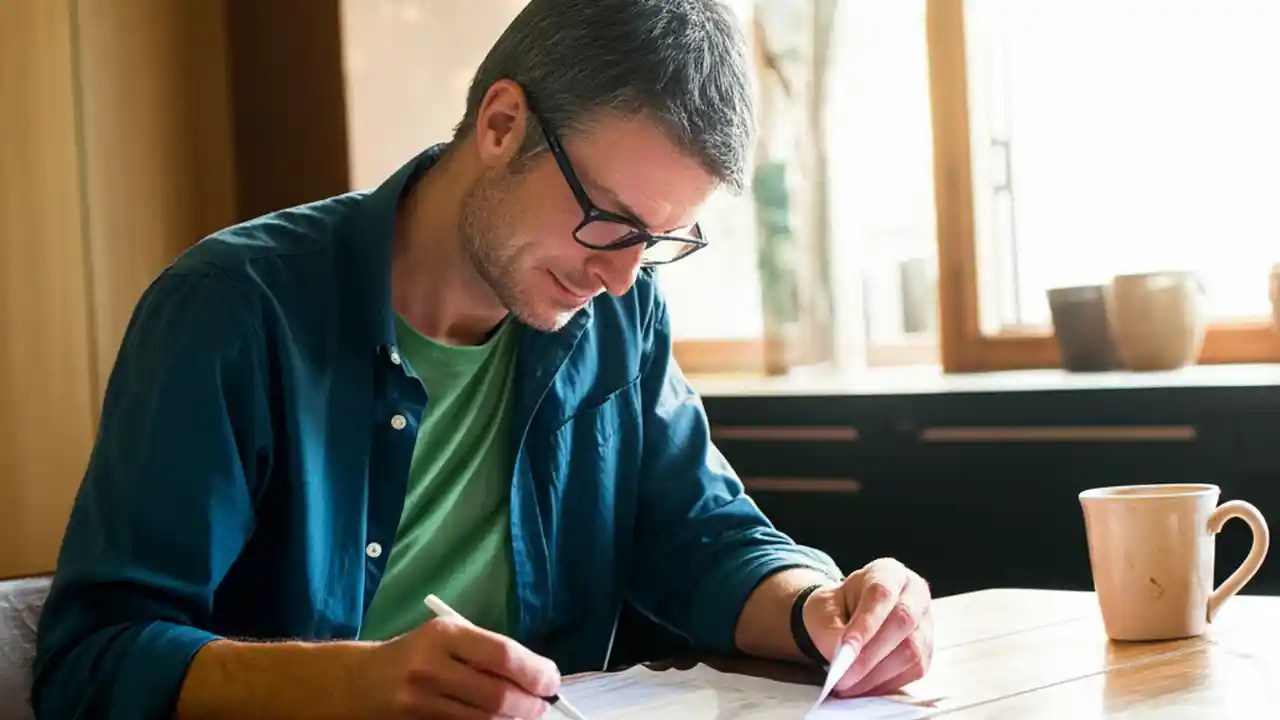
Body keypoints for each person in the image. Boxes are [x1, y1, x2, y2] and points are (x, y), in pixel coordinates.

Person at [33, 1, 933, 718]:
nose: (621, 279)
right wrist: (352, 687)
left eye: (657, 242)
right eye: (611, 224)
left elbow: (702, 539)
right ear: (502, 123)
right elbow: (94, 659)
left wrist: (820, 611)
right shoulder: (235, 309)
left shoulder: (618, 316)